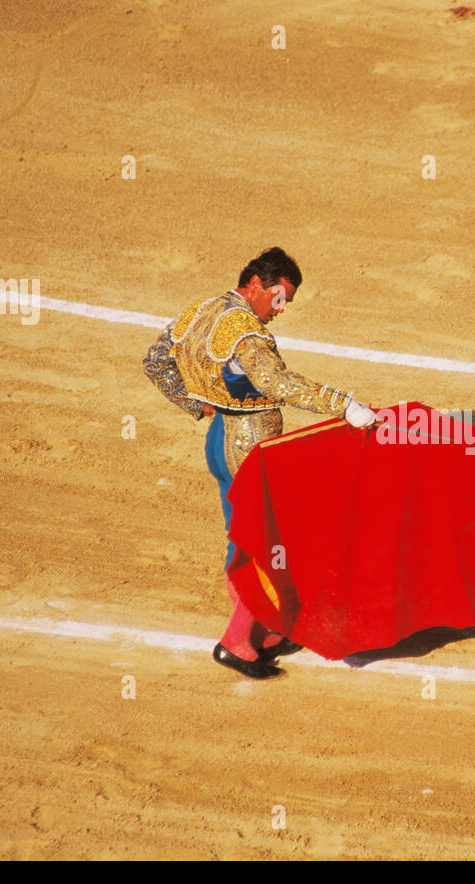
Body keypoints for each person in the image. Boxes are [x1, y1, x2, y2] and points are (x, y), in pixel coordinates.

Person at [143, 247, 377, 679]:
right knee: (267, 546)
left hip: (219, 444)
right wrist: (343, 405)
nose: (281, 308)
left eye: (286, 299)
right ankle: (235, 643)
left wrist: (199, 404)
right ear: (255, 285)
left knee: (243, 538)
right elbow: (276, 381)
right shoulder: (245, 331)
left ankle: (262, 631)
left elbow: (156, 361)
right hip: (250, 448)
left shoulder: (202, 310)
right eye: (278, 296)